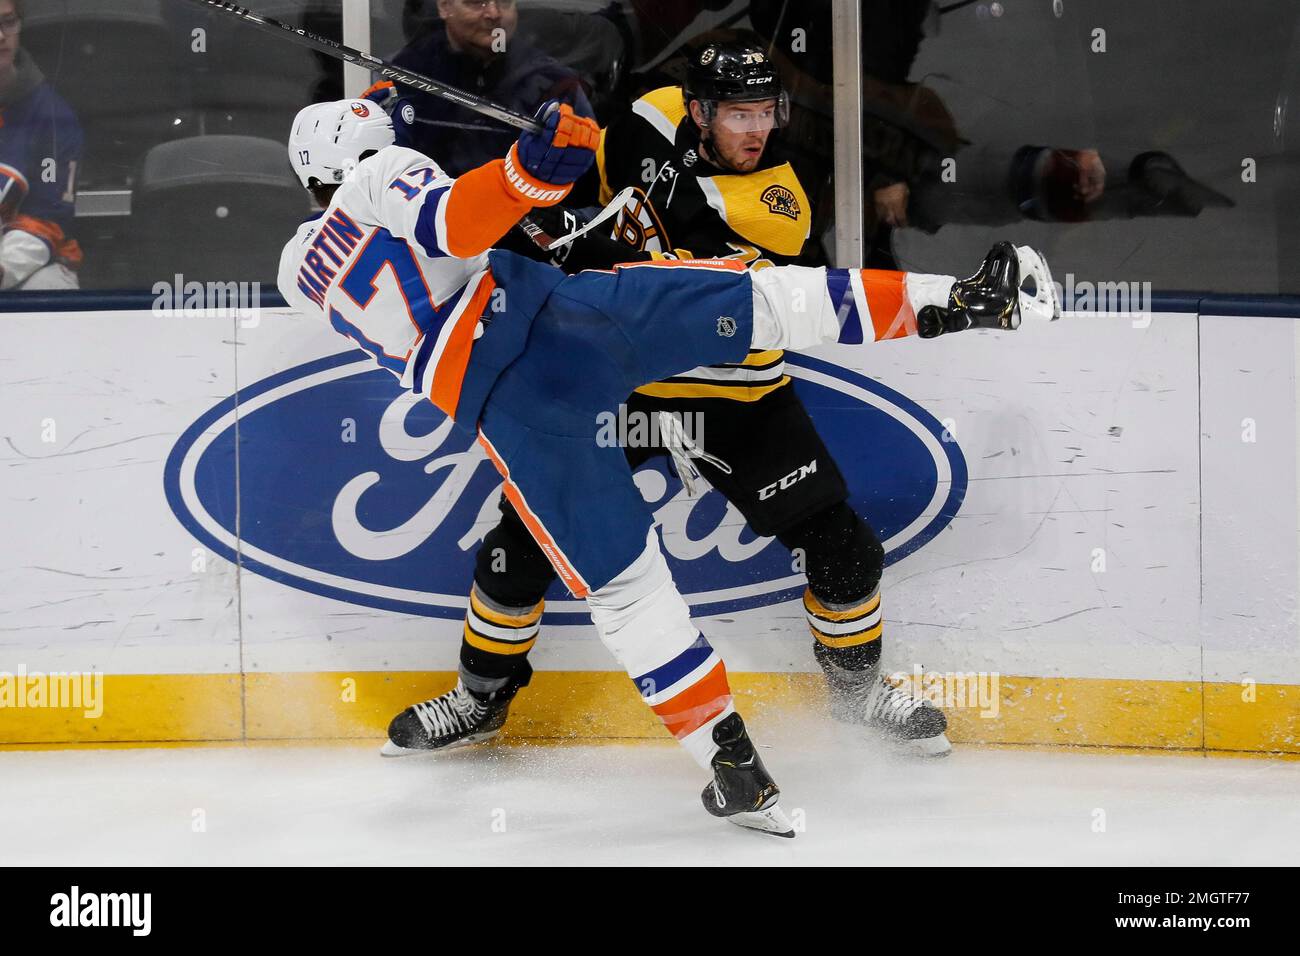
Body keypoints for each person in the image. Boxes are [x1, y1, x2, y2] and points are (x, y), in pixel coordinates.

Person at [276, 97, 1058, 834]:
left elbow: (437, 249)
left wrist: (543, 190)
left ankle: (733, 767)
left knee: (629, 592)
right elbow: (456, 219)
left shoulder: (294, 270)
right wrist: (532, 166)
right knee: (766, 303)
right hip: (565, 323)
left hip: (513, 412)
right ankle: (969, 298)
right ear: (370, 156)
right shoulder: (385, 173)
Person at [386, 41, 959, 765]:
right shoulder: (647, 120)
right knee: (520, 541)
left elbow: (675, 288)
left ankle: (858, 694)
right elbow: (580, 185)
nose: (757, 131)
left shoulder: (779, 204)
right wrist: (548, 153)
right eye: (739, 114)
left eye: (765, 113)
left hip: (733, 393)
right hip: (617, 385)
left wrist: (590, 244)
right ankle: (479, 700)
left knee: (843, 547)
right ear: (697, 110)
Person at [362, 0, 595, 177]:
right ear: (444, 7)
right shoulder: (405, 73)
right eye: (476, 1)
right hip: (424, 219)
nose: (493, 13)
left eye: (503, 1)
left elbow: (583, 180)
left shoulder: (556, 85)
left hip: (518, 225)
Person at [0, 0, 83, 290]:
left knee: (47, 288)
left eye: (7, 22)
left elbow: (47, 219)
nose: (1, 36)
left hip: (34, 266)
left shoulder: (53, 116)